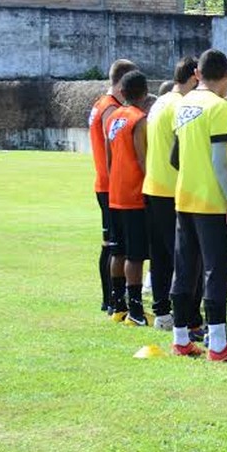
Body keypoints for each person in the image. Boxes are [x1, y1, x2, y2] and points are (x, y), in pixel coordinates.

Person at [169, 48, 227, 362]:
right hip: (211, 202)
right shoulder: (218, 108)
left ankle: (181, 339)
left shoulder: (184, 104)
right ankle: (218, 345)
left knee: (185, 269)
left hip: (184, 197)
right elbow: (220, 162)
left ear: (199, 74)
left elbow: (176, 156)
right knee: (216, 272)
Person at [144, 58, 199, 331]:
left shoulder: (160, 102)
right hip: (173, 190)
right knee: (186, 257)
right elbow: (183, 152)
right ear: (195, 77)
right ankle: (187, 318)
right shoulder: (181, 105)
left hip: (153, 187)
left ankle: (162, 313)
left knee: (161, 257)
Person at [103, 70, 153, 326]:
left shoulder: (113, 119)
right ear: (145, 93)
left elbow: (110, 159)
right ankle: (135, 310)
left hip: (115, 195)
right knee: (135, 255)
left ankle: (117, 306)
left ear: (122, 92)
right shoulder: (139, 120)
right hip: (134, 196)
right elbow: (143, 159)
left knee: (118, 251)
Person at [89, 59, 137, 313]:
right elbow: (114, 149)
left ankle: (111, 299)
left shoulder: (101, 104)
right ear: (122, 83)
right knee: (114, 246)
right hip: (111, 186)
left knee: (111, 244)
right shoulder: (110, 108)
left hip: (106, 184)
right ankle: (111, 300)